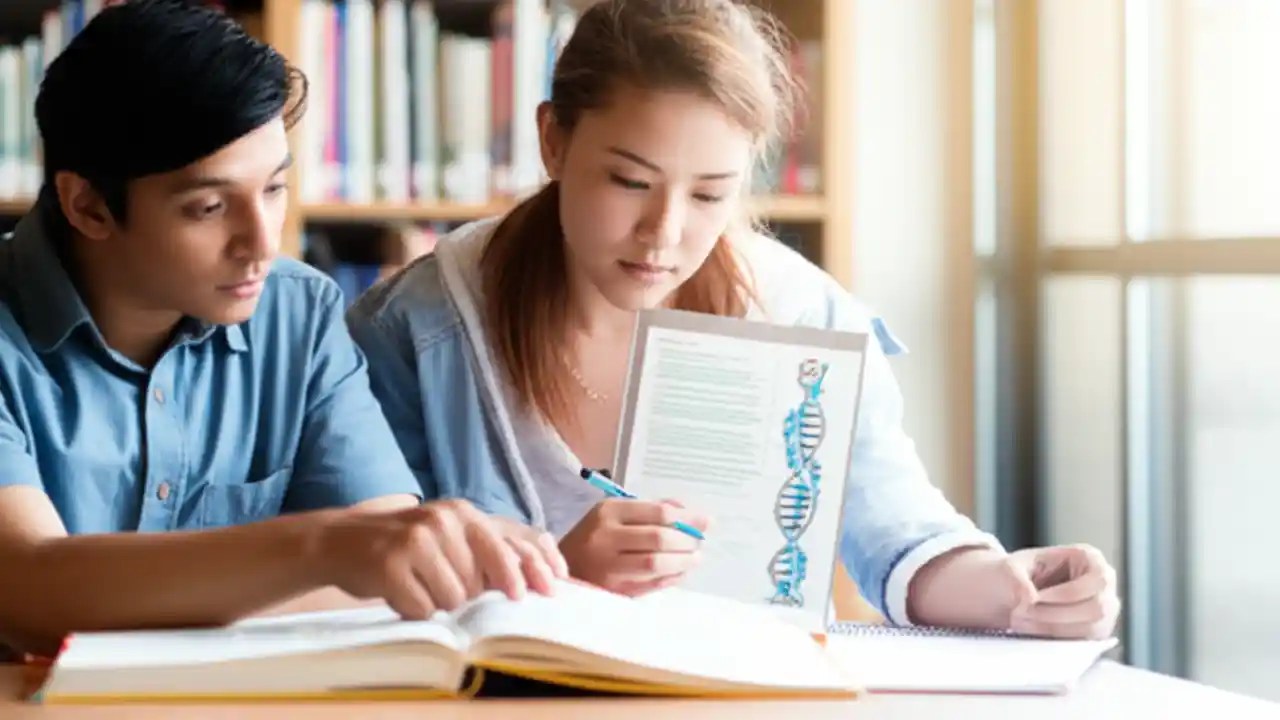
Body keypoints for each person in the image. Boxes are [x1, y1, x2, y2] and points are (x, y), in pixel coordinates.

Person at [347, 0, 1120, 638]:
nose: (664, 232)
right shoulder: (420, 327)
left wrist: (1011, 590)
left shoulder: (799, 313)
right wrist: (560, 570)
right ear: (553, 140)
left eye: (711, 194)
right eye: (628, 181)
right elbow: (358, 598)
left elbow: (901, 540)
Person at [0, 0, 563, 658]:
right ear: (88, 205)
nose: (262, 244)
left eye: (274, 189)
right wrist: (321, 548)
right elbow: (25, 583)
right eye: (209, 207)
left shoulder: (298, 314)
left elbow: (388, 572)